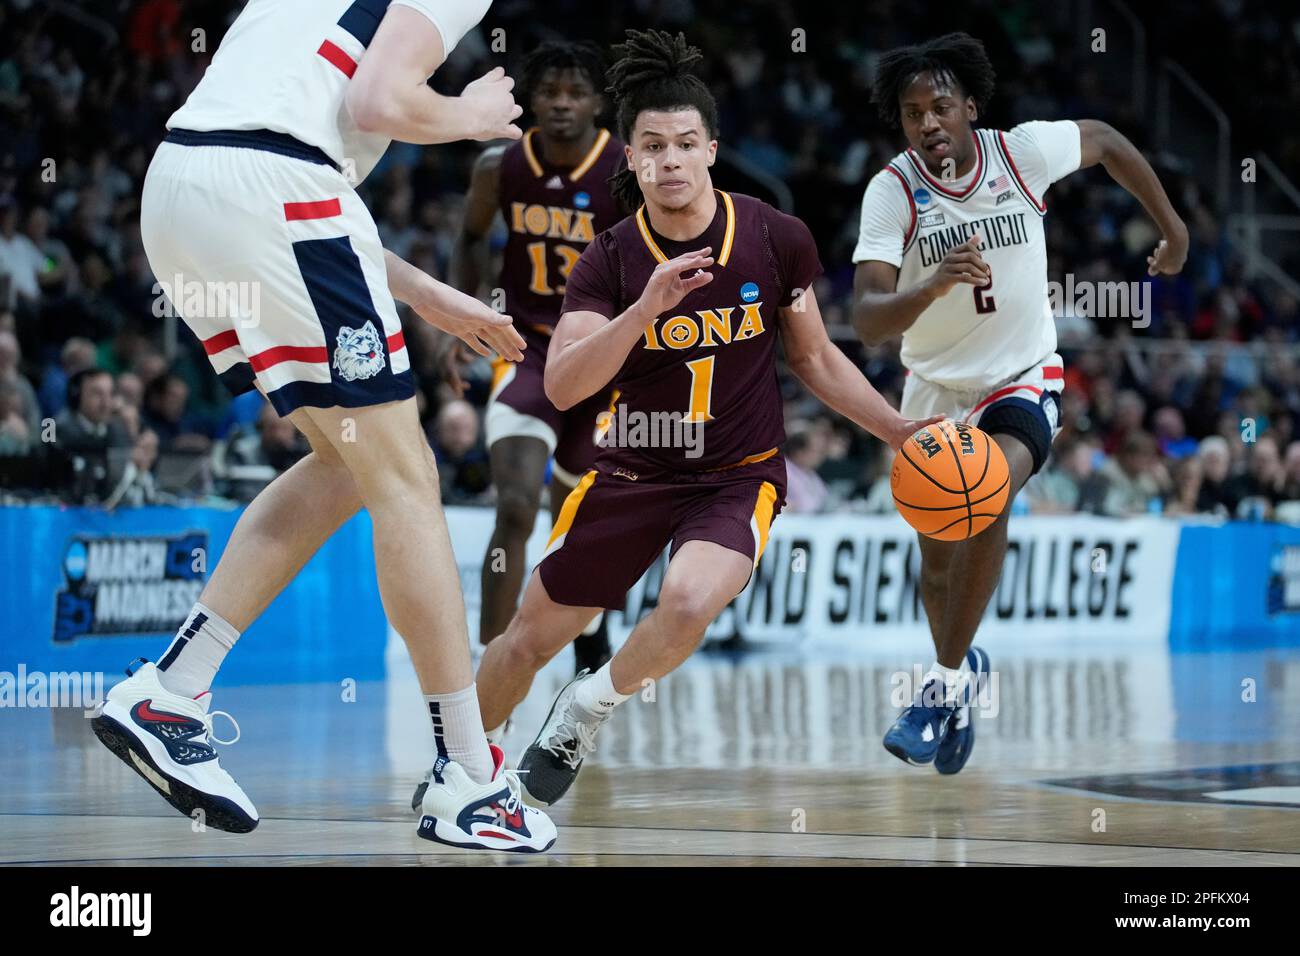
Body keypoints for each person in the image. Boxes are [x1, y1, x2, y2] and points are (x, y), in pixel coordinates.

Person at [92, 0, 556, 852]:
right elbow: (374, 109)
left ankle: (174, 688)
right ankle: (470, 776)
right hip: (278, 193)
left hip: (181, 191)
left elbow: (270, 148)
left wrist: (426, 295)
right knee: (406, 476)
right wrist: (470, 118)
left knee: (347, 462)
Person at [460, 29, 937, 806]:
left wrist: (895, 428)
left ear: (711, 149)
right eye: (653, 146)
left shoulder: (775, 238)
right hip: (633, 470)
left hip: (737, 476)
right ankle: (461, 771)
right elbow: (568, 383)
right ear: (632, 160)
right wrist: (642, 311)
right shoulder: (609, 260)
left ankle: (585, 707)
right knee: (527, 639)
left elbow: (814, 358)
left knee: (686, 601)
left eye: (685, 143)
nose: (671, 159)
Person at [850, 32, 1187, 773]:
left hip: (1022, 375)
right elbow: (866, 318)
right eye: (912, 114)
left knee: (986, 489)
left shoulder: (1020, 154)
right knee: (936, 562)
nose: (927, 122)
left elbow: (1105, 141)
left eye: (940, 106)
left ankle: (937, 688)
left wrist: (1173, 226)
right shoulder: (894, 190)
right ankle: (962, 671)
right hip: (933, 390)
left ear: (971, 106)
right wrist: (931, 284)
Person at [438, 40, 626, 678]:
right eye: (550, 92)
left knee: (577, 516)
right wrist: (464, 316)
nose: (563, 104)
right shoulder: (499, 165)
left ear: (599, 103)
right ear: (531, 101)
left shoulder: (627, 173)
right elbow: (469, 238)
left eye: (576, 93)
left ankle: (591, 629)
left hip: (603, 357)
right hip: (527, 348)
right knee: (516, 503)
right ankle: (480, 675)